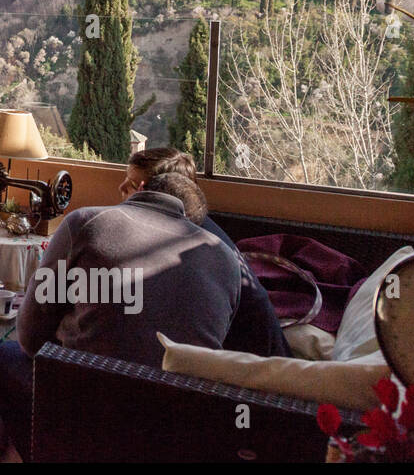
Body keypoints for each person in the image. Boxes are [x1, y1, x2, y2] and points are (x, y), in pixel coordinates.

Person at [0, 167, 241, 459]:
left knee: (3, 357)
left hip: (91, 412)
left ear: (142, 186)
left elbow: (30, 338)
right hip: (179, 430)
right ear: (191, 220)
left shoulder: (85, 222)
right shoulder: (226, 259)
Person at [121, 147, 290, 358]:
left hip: (244, 366)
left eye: (133, 185)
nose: (121, 187)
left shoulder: (195, 251)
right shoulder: (193, 228)